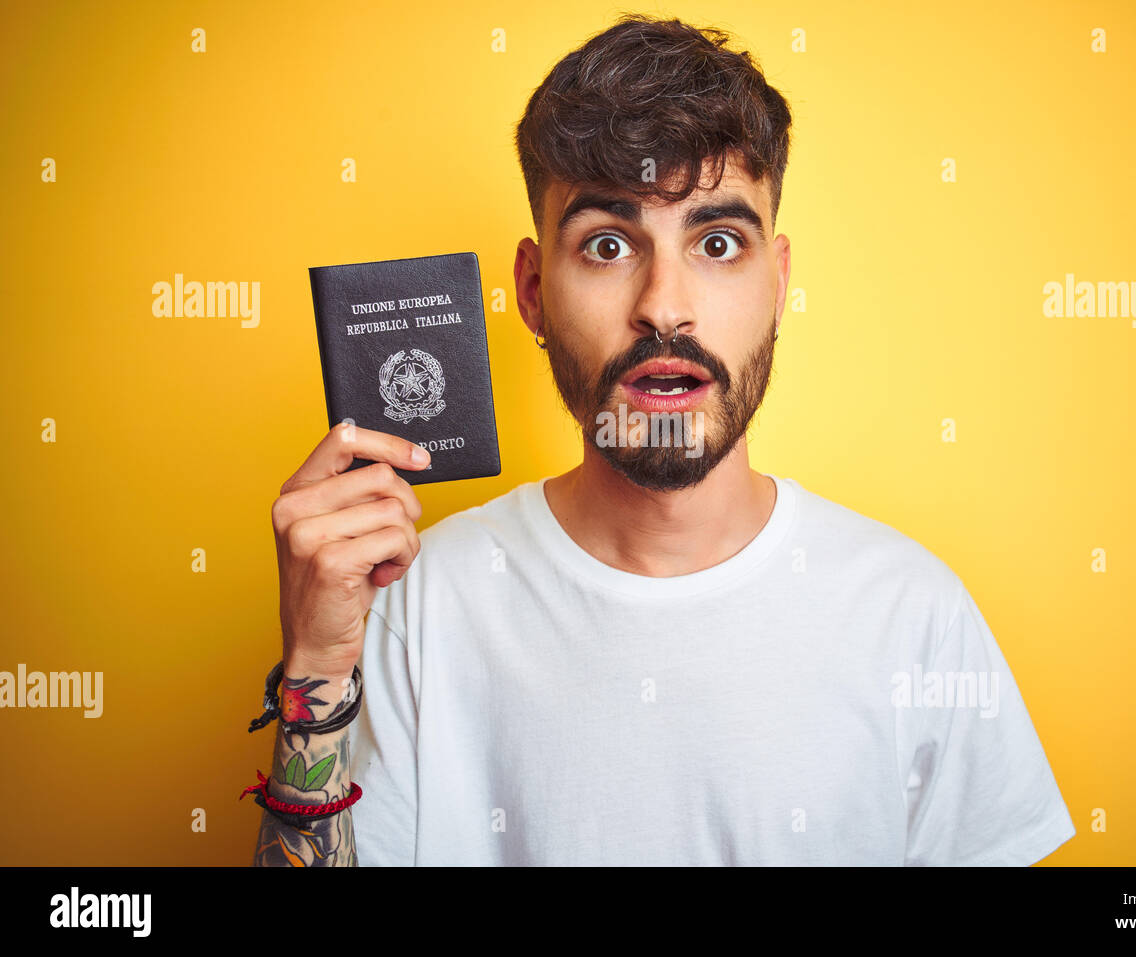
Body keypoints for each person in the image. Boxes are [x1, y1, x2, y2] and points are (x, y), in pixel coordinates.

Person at [252, 14, 1075, 866]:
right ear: (533, 292)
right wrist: (316, 664)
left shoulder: (915, 616)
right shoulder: (417, 608)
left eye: (718, 243)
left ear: (779, 281)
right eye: (608, 246)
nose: (664, 305)